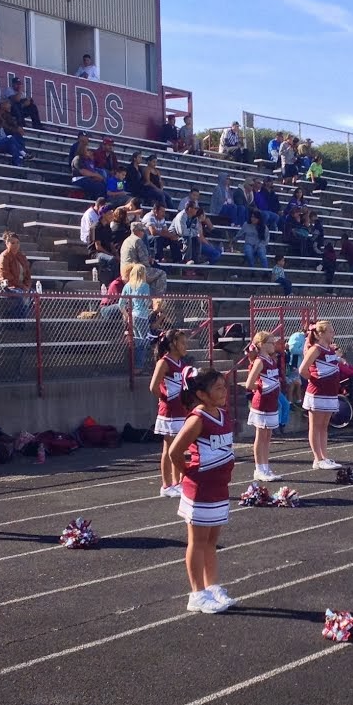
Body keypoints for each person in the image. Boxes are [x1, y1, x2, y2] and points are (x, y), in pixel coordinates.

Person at [168, 368, 235, 614]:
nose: (223, 391)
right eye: (217, 388)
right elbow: (175, 451)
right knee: (197, 543)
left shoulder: (223, 414)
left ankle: (212, 586)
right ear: (201, 394)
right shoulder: (197, 419)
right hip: (200, 490)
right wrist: (188, 473)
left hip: (219, 489)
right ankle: (196, 594)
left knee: (212, 542)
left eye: (224, 387)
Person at [150, 329, 191, 497]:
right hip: (169, 413)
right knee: (169, 448)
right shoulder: (164, 362)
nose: (185, 346)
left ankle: (178, 482)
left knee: (179, 449)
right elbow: (153, 387)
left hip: (181, 411)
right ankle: (166, 486)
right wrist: (167, 399)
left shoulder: (182, 364)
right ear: (173, 344)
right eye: (182, 342)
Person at [300, 320, 344, 471]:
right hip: (317, 393)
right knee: (315, 425)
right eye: (330, 331)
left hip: (330, 393)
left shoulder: (330, 349)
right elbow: (302, 369)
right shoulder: (316, 349)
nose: (333, 333)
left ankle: (324, 456)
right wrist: (315, 379)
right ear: (321, 334)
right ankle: (317, 458)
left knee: (324, 426)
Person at [243, 331, 285, 482]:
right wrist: (262, 387)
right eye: (270, 343)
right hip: (261, 403)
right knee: (260, 437)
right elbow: (249, 384)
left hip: (272, 403)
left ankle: (266, 467)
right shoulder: (260, 361)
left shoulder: (272, 361)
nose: (273, 345)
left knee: (268, 437)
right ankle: (259, 469)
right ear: (261, 345)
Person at [123, 263, 154, 367]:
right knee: (145, 341)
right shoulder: (145, 286)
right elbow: (146, 303)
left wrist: (127, 315)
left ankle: (135, 364)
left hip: (133, 316)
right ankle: (139, 366)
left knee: (137, 340)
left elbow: (120, 303)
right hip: (142, 315)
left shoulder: (127, 285)